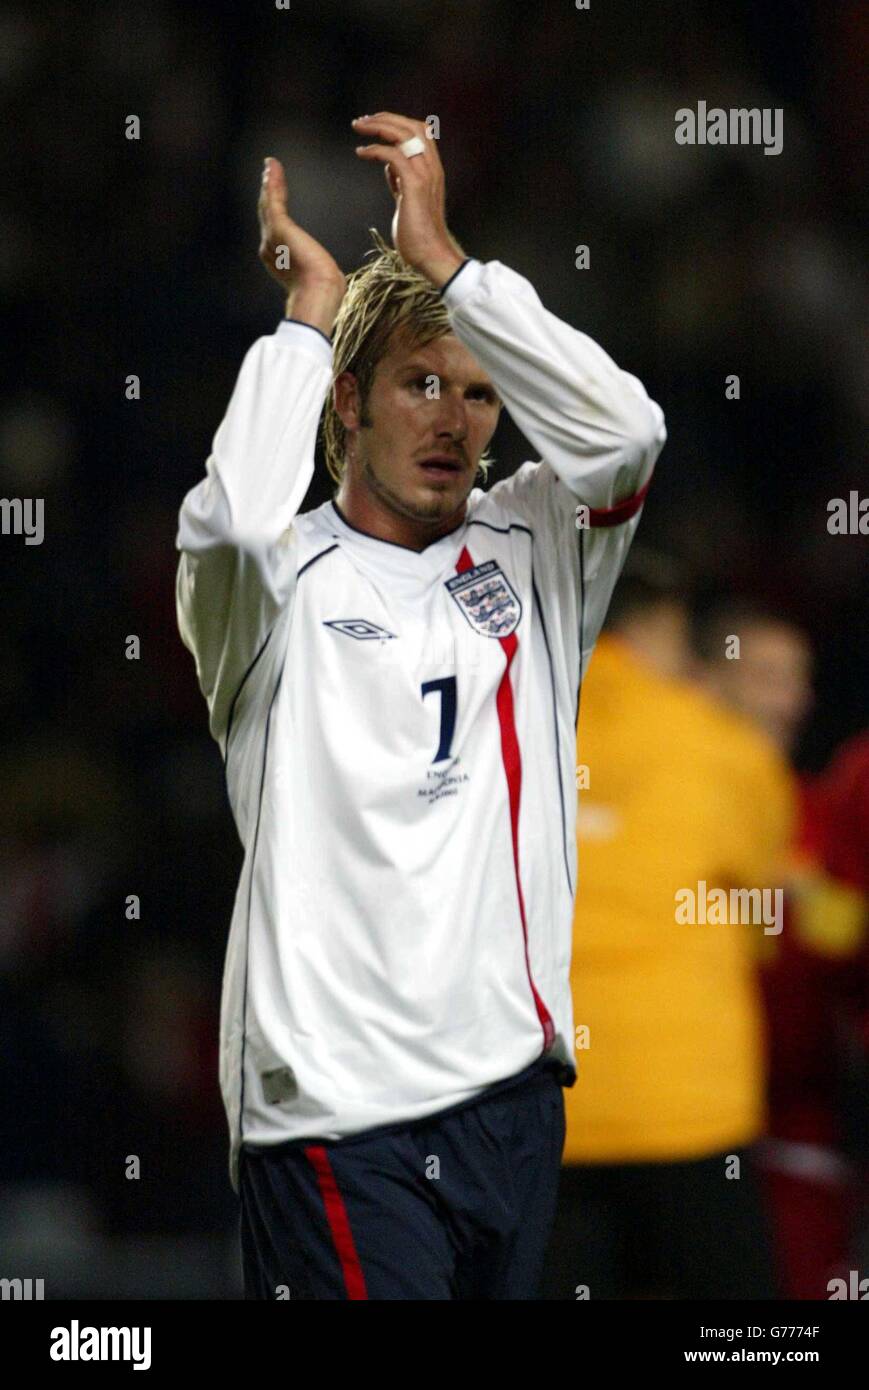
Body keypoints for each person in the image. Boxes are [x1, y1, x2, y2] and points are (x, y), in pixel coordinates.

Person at [175, 112, 666, 1299]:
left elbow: (627, 432)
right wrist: (307, 316)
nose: (452, 421)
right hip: (339, 1119)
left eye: (481, 396)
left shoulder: (538, 542)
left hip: (511, 1099)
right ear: (347, 402)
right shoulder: (274, 584)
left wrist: (450, 263)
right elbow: (232, 515)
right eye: (420, 384)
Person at [543, 556, 794, 1299]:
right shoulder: (724, 747)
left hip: (552, 1107)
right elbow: (765, 922)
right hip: (690, 1107)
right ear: (661, 629)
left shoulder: (522, 737)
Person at [700, 607, 867, 1298]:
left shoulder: (824, 814)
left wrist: (808, 903)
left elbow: (850, 953)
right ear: (705, 686)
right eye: (767, 676)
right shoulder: (657, 819)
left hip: (803, 1134)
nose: (791, 699)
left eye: (797, 680)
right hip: (678, 1129)